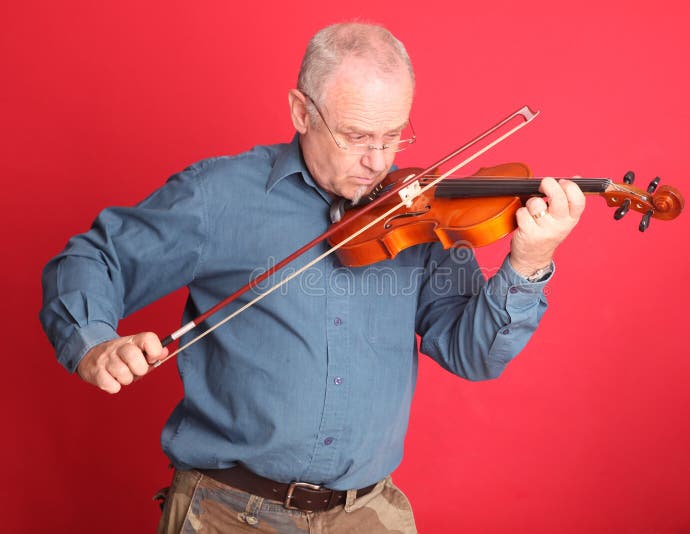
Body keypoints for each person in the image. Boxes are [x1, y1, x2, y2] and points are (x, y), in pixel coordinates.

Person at [40, 22, 585, 534]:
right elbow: (94, 258)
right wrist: (93, 343)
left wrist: (528, 263)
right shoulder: (219, 196)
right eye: (354, 135)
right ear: (301, 111)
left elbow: (474, 354)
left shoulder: (417, 212)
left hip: (367, 514)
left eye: (393, 135)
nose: (376, 161)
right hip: (228, 514)